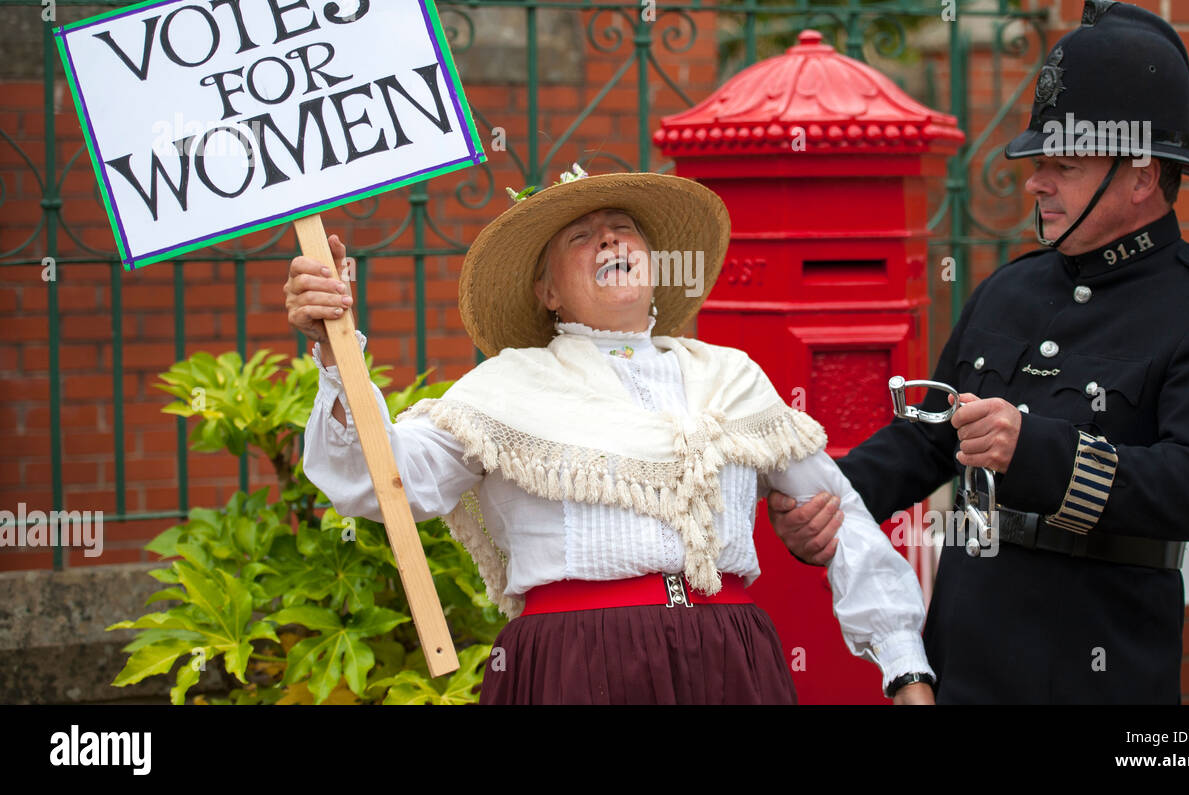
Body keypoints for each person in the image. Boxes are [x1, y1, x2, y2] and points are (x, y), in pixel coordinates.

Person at [767, 0, 1189, 704]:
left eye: (1062, 165)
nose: (1035, 181)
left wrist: (1033, 447)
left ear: (1139, 175)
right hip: (965, 655)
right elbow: (926, 443)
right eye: (1039, 161)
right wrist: (830, 496)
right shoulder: (1009, 289)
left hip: (1100, 668)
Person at [285, 166, 937, 704]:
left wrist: (906, 668)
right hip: (577, 666)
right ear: (547, 291)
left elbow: (841, 513)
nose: (610, 241)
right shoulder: (507, 388)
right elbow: (378, 481)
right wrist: (335, 349)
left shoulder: (732, 377)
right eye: (582, 236)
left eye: (623, 229)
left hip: (733, 662)